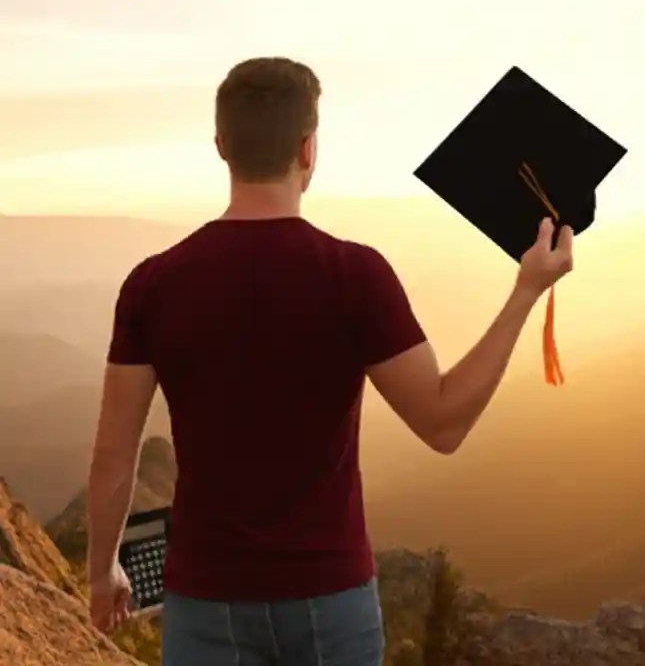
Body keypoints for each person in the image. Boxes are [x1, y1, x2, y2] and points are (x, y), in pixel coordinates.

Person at [86, 56, 574, 665]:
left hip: (205, 601)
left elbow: (113, 457)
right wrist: (525, 292)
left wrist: (103, 572)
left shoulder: (151, 285)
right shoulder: (355, 275)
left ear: (221, 146)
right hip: (330, 600)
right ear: (308, 148)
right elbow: (445, 422)